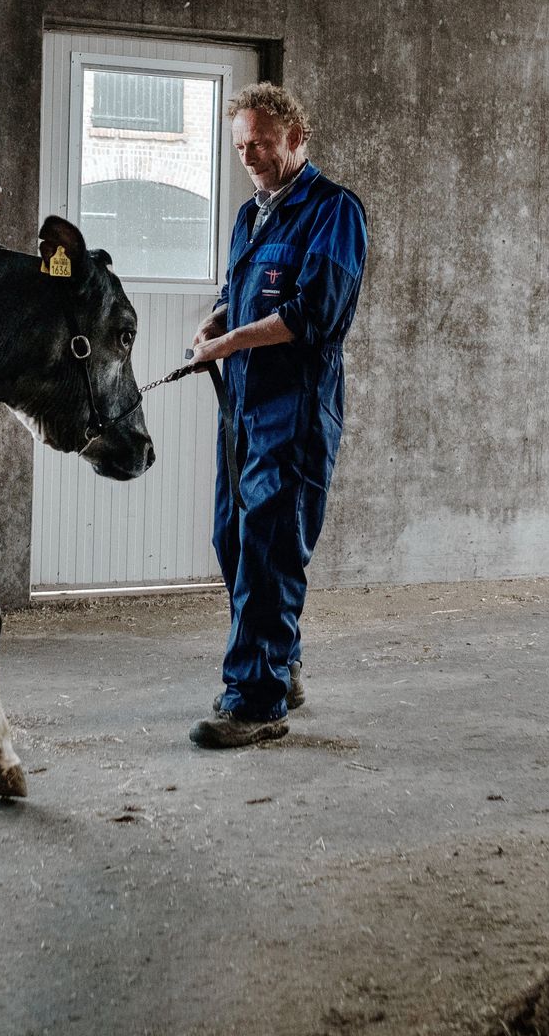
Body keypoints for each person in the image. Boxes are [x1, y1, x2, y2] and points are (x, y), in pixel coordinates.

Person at [185, 83, 367, 749]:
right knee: (233, 540)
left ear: (296, 137)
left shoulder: (334, 211)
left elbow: (315, 313)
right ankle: (280, 665)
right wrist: (216, 319)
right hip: (241, 406)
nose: (248, 154)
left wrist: (231, 342)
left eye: (260, 142)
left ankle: (255, 702)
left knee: (269, 550)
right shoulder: (250, 215)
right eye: (240, 144)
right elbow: (239, 290)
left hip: (294, 409)